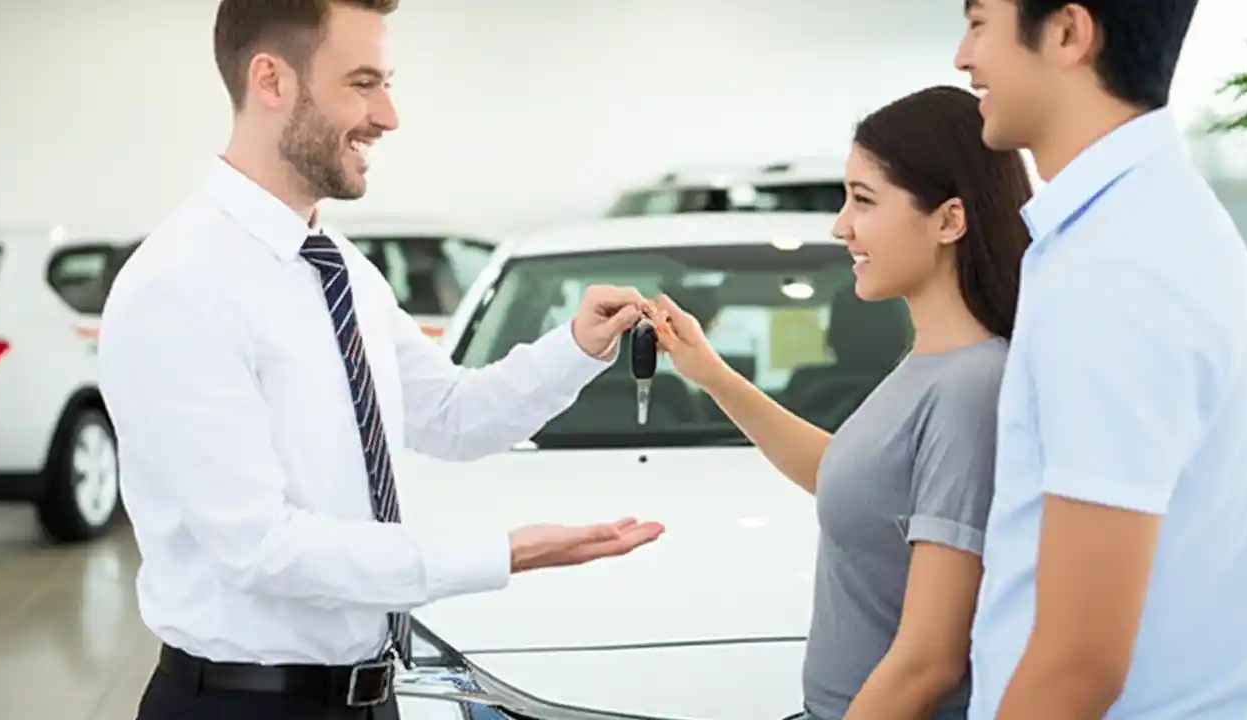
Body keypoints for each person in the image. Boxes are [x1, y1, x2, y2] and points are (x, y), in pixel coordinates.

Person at [97, 1, 664, 719]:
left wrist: (578, 347)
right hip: (244, 706)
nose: (389, 115)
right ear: (270, 80)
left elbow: (453, 417)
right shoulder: (179, 285)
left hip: (368, 701)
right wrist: (505, 554)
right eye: (363, 83)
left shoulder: (341, 270)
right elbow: (260, 547)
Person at [653, 85, 1033, 720]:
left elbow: (930, 658)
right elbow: (854, 475)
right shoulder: (931, 367)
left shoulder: (972, 386)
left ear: (948, 220)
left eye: (863, 200)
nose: (841, 226)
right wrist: (713, 374)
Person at [953, 1, 1247, 718]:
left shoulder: (1117, 267)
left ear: (1067, 32)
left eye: (977, 23)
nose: (963, 58)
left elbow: (1078, 665)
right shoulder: (1151, 225)